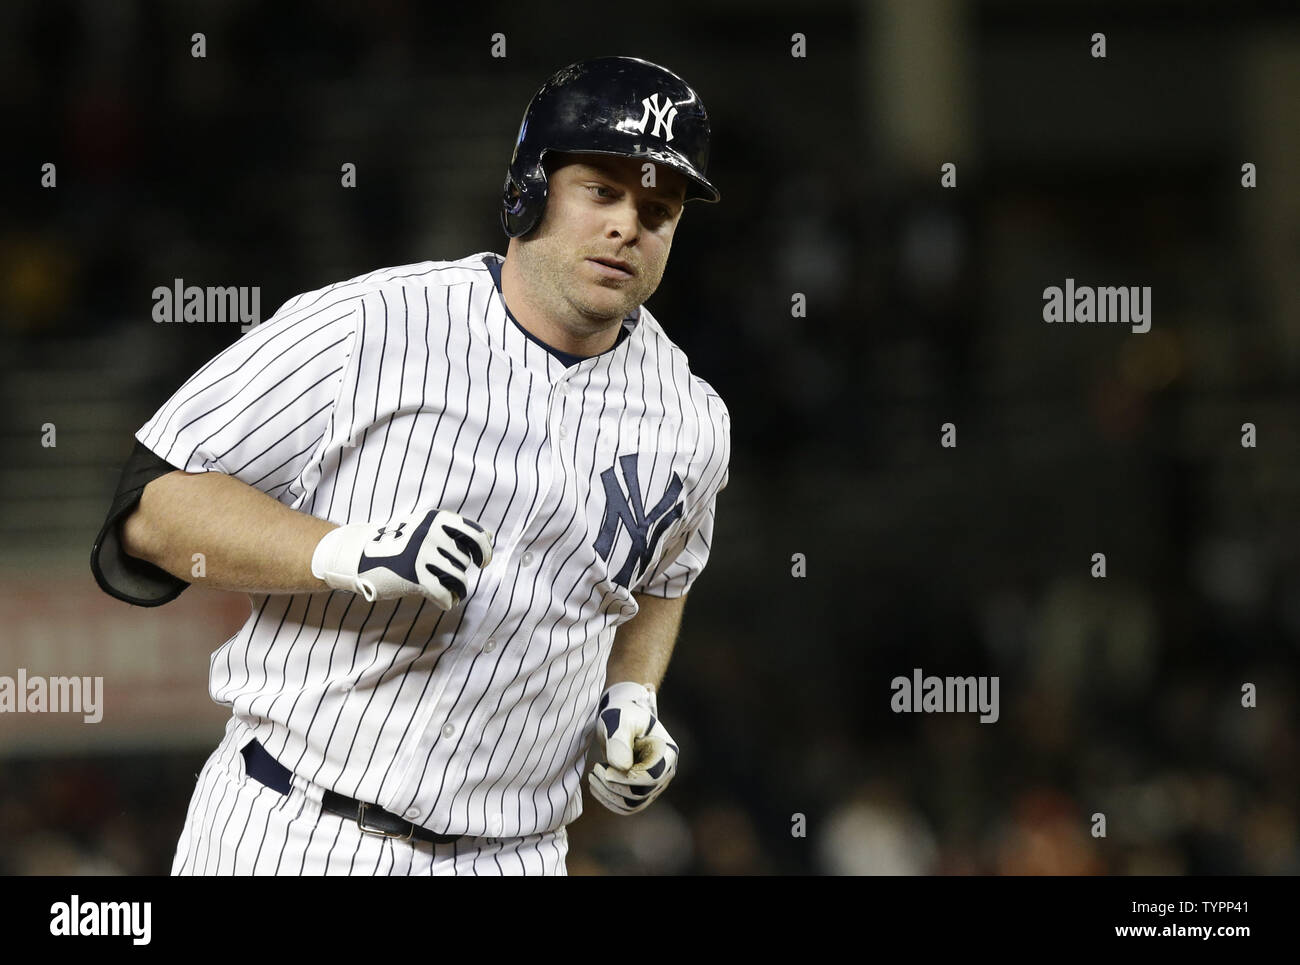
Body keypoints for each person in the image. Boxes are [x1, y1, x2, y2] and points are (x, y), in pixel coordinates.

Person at [89, 55, 731, 875]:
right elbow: (153, 510)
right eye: (602, 192)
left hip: (514, 853)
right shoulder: (371, 324)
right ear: (529, 191)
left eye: (658, 208)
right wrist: (345, 551)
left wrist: (631, 693)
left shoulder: (692, 418)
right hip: (295, 826)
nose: (628, 227)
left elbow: (664, 576)